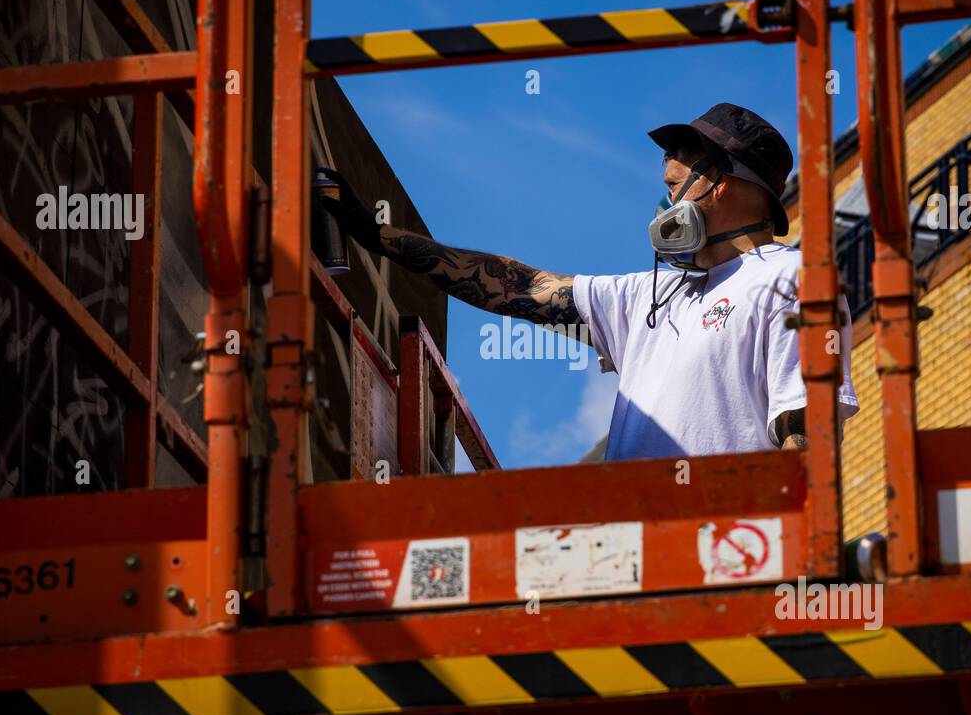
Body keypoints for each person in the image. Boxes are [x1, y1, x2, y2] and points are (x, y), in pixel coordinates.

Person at [316, 102, 858, 460]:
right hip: (638, 565)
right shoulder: (651, 297)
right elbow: (521, 287)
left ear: (719, 183)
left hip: (732, 561)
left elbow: (805, 431)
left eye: (676, 188)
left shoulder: (790, 280)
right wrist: (377, 235)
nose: (666, 203)